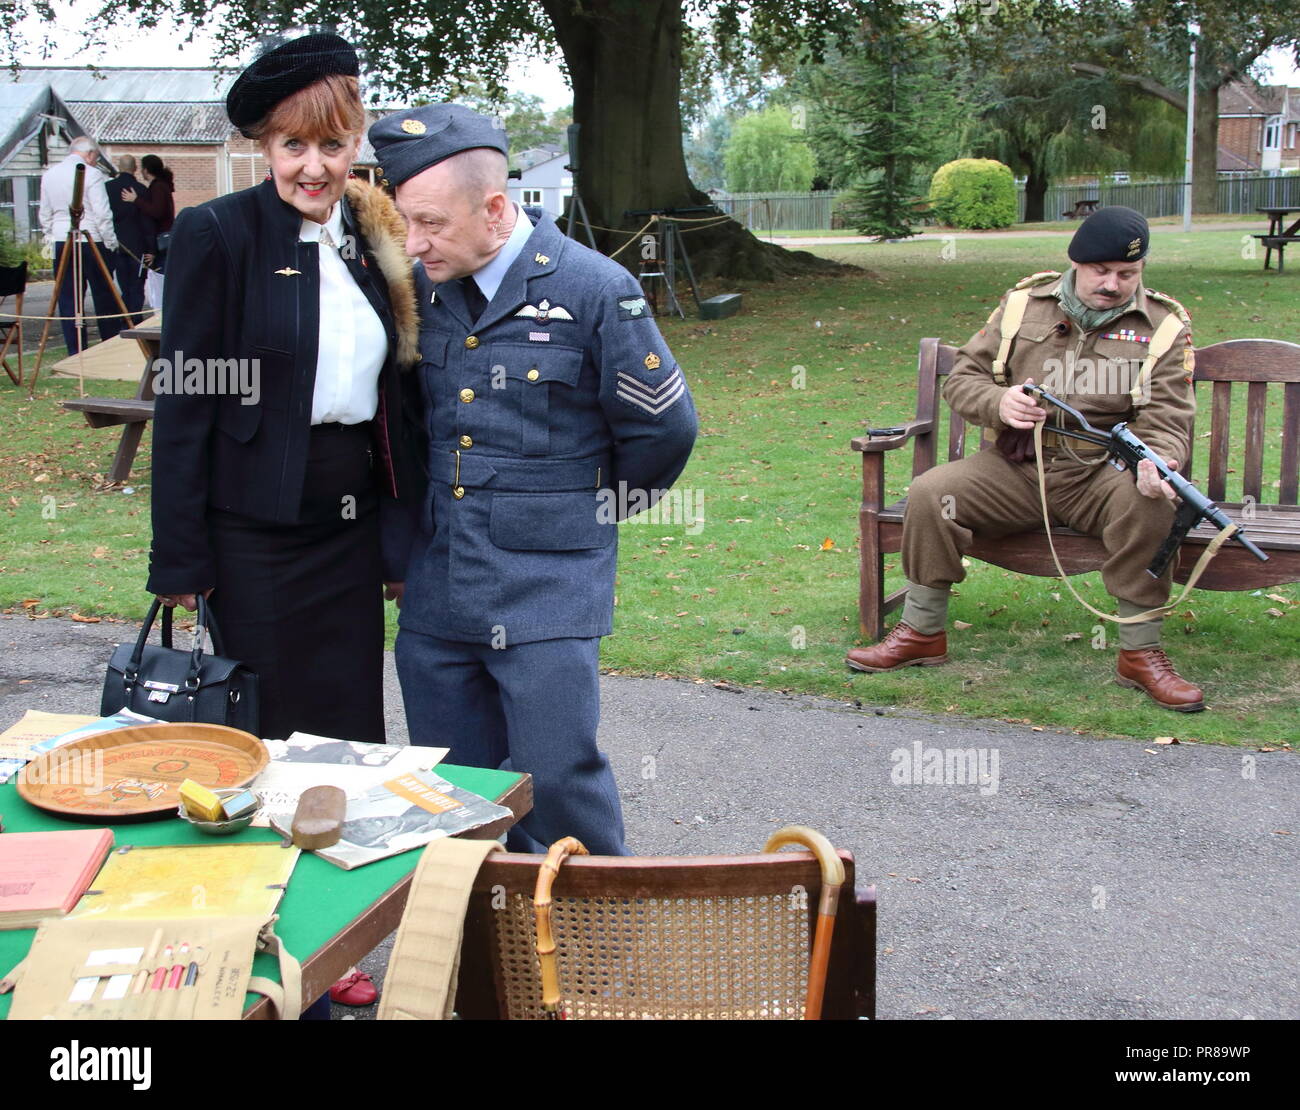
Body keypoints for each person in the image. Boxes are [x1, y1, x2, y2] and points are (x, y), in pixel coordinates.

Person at [369, 104, 698, 855]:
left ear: (494, 208)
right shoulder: (423, 291)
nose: (414, 245)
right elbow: (413, 428)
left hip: (548, 586)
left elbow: (664, 430)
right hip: (442, 583)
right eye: (405, 224)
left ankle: (591, 953)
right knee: (452, 793)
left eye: (430, 224)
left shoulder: (592, 289)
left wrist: (583, 516)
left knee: (557, 781)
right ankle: (485, 954)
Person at [146, 32, 424, 749]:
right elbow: (183, 399)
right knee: (261, 738)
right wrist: (178, 556)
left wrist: (396, 541)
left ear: (354, 142)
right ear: (267, 146)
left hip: (348, 531)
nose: (313, 167)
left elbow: (397, 406)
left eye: (331, 146)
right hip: (252, 538)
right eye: (293, 146)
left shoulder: (374, 237)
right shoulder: (217, 233)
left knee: (349, 731)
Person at [846, 206, 1205, 712]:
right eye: (1101, 271)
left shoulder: (1163, 326)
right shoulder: (1021, 306)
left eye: (1128, 274)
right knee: (933, 493)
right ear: (1075, 264)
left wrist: (1157, 464)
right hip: (1017, 469)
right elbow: (966, 379)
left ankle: (1139, 654)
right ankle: (923, 633)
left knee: (1153, 504)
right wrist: (999, 402)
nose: (1113, 284)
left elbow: (1168, 415)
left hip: (1099, 475)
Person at [38, 135, 123, 353]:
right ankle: (109, 343)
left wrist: (50, 234)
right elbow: (102, 212)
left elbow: (44, 212)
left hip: (61, 237)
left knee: (68, 298)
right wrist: (111, 242)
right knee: (104, 294)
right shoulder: (93, 174)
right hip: (90, 237)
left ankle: (75, 349)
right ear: (90, 154)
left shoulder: (50, 175)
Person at [122, 155, 175, 309]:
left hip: (162, 239)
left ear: (146, 170)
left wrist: (136, 200)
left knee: (160, 276)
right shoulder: (162, 186)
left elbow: (157, 212)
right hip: (164, 237)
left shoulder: (158, 187)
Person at [103, 153, 148, 326]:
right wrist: (150, 247)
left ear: (119, 168)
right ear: (135, 168)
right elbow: (146, 222)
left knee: (123, 285)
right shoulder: (141, 190)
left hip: (115, 244)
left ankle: (124, 320)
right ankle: (135, 320)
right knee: (136, 286)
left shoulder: (107, 188)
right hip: (137, 245)